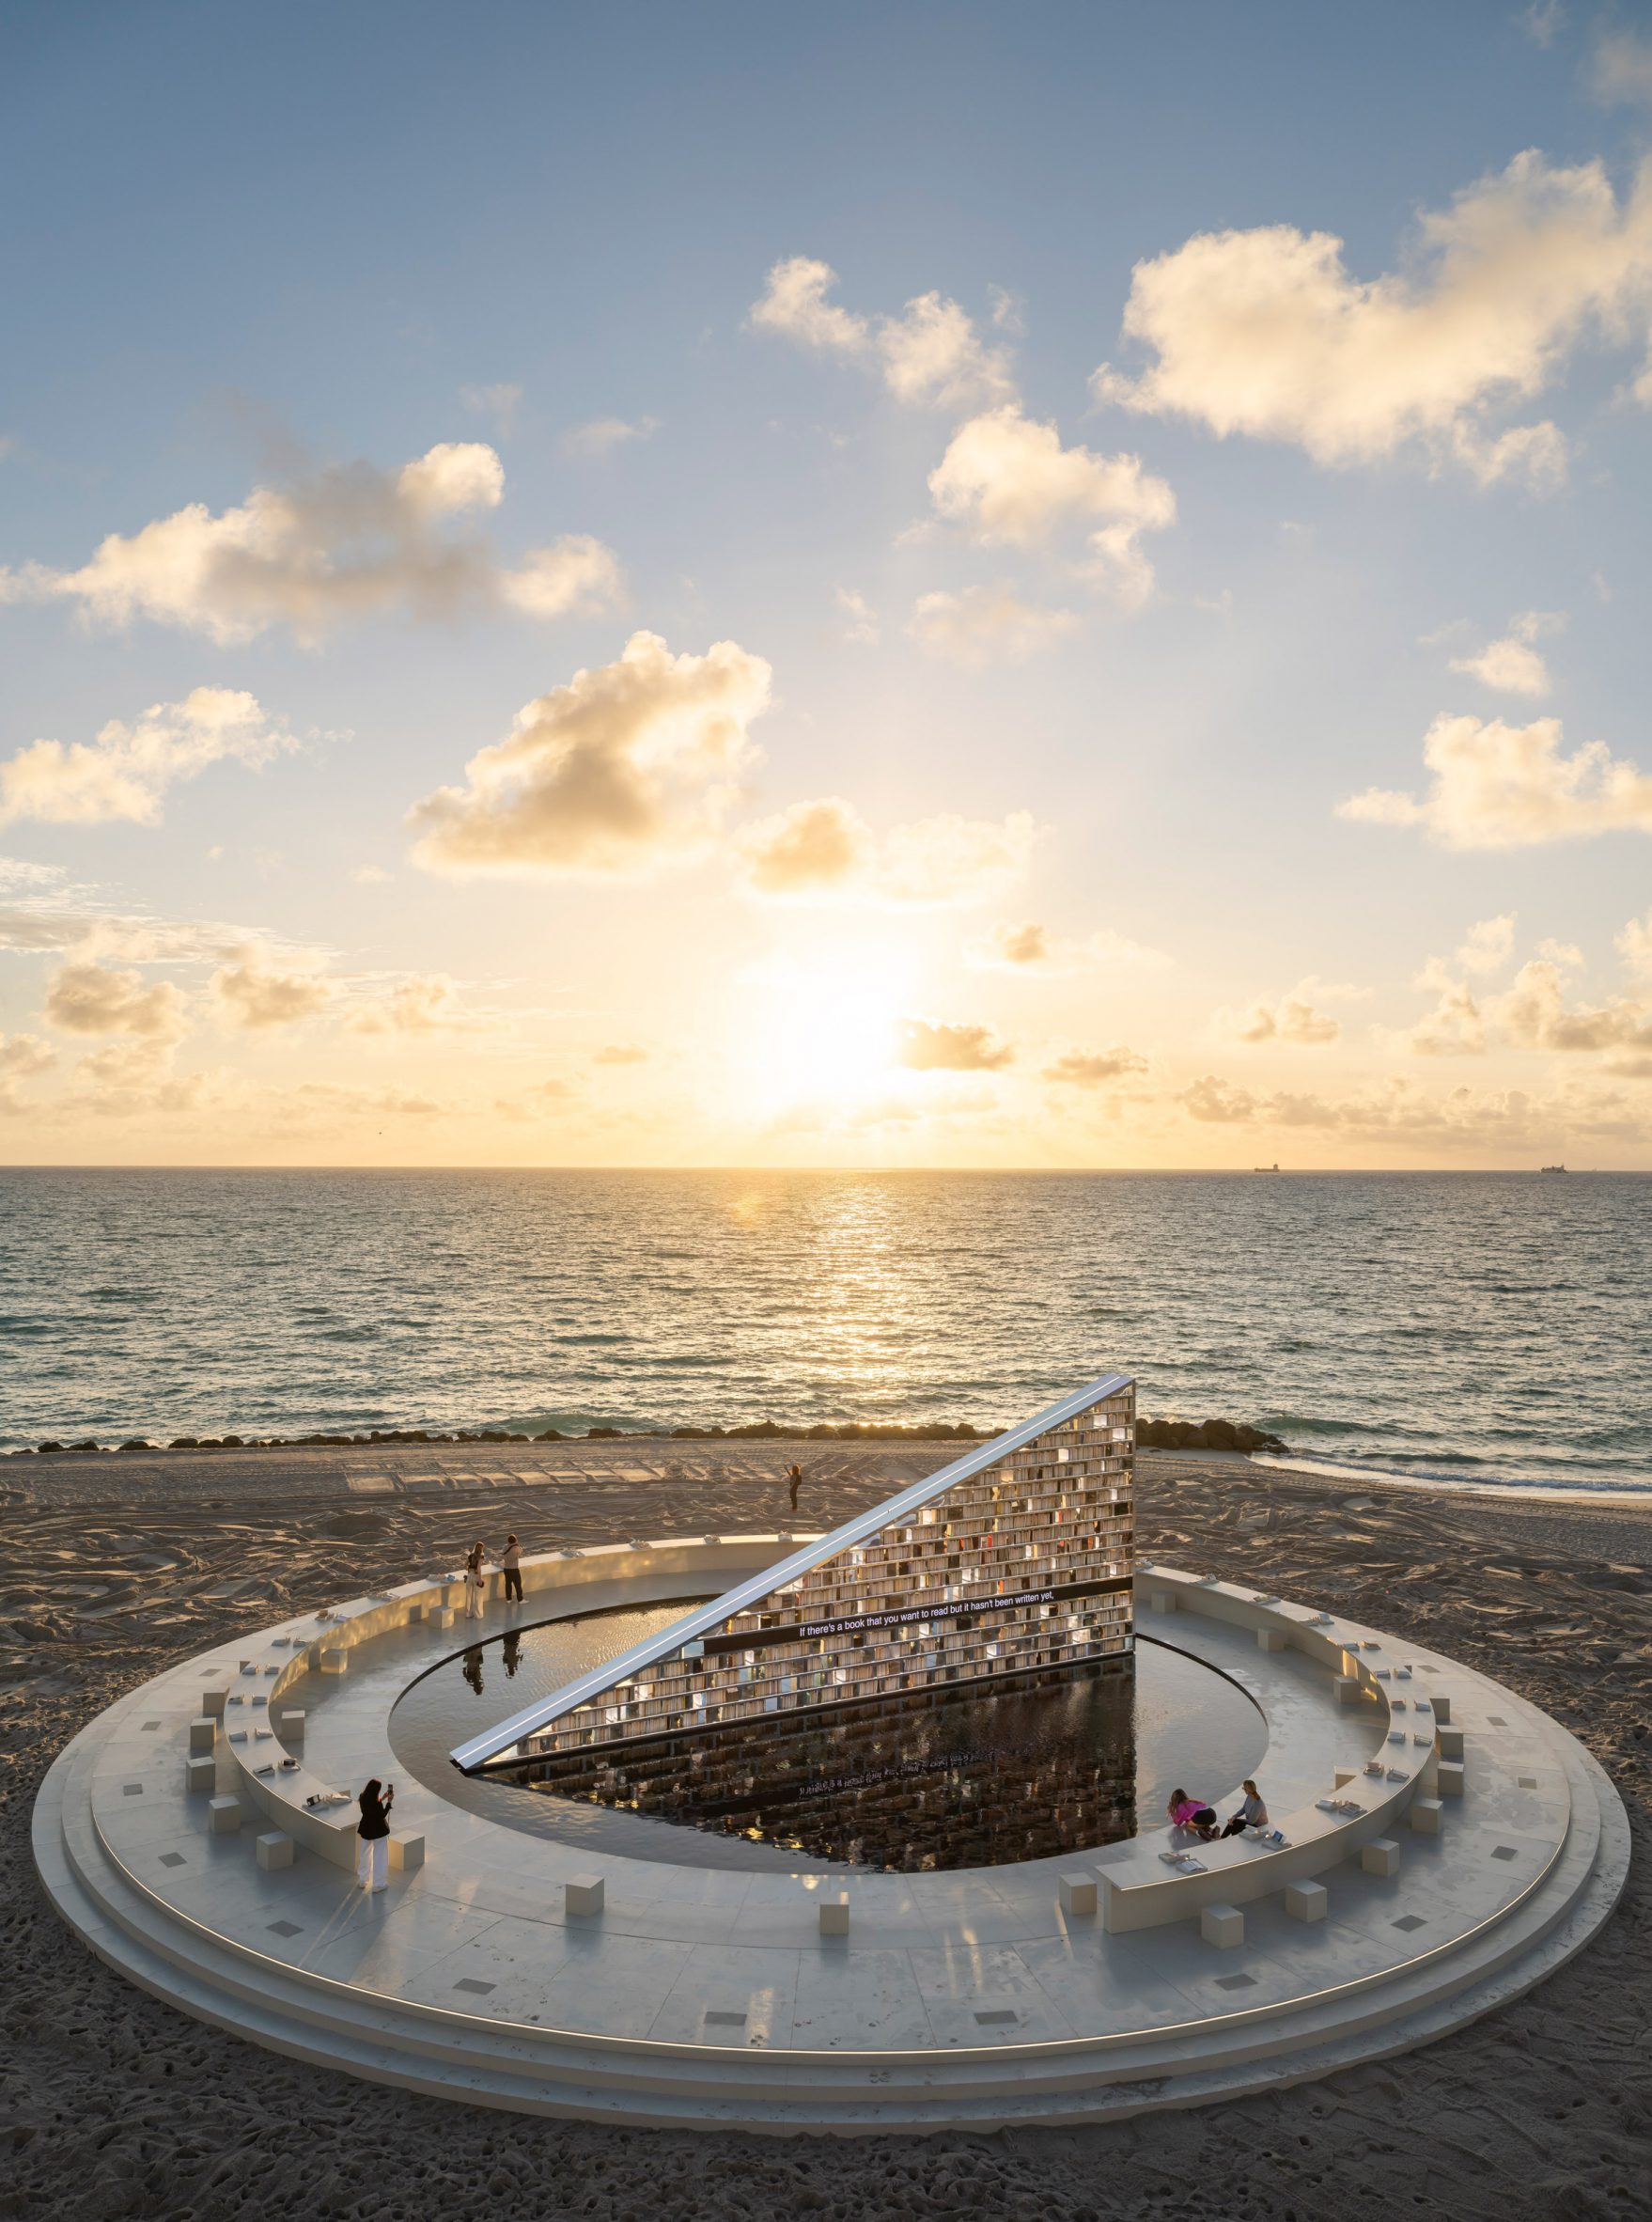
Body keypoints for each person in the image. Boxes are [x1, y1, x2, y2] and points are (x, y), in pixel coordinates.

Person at [356, 1776, 394, 1891]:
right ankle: (378, 1884)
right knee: (380, 1857)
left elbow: (371, 1809)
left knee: (364, 1854)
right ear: (376, 1790)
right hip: (379, 1831)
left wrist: (381, 1799)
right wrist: (388, 1802)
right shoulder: (376, 1803)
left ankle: (363, 1880)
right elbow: (381, 1815)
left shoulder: (362, 1797)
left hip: (366, 1830)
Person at [463, 1539, 486, 1620]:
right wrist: (479, 1580)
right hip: (476, 1576)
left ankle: (468, 1614)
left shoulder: (470, 1556)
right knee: (478, 1596)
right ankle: (478, 1615)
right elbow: (479, 1568)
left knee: (469, 1595)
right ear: (481, 1549)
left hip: (469, 1576)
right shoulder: (481, 1556)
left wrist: (469, 1570)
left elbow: (465, 1564)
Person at [501, 1532, 522, 1604]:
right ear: (515, 1540)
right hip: (514, 1569)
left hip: (506, 1569)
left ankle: (509, 1599)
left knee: (508, 1584)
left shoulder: (504, 1547)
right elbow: (521, 1551)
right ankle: (520, 1600)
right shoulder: (516, 1548)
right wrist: (517, 1544)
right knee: (518, 1585)